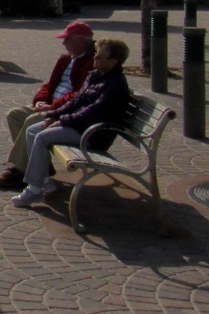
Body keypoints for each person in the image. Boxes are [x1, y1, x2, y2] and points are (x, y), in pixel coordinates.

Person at [12, 38, 132, 207]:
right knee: (32, 130)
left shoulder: (114, 85)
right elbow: (75, 102)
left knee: (41, 137)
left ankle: (34, 189)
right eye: (96, 54)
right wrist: (53, 115)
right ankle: (44, 180)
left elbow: (92, 114)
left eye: (99, 57)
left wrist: (62, 120)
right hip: (80, 126)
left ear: (113, 62)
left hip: (93, 134)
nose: (94, 58)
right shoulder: (96, 76)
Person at [0, 20, 96, 189]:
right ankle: (38, 164)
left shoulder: (91, 64)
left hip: (64, 111)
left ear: (81, 42)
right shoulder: (65, 60)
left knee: (32, 122)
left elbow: (79, 94)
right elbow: (49, 84)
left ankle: (21, 169)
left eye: (67, 39)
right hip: (52, 105)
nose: (63, 43)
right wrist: (41, 100)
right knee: (15, 115)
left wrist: (53, 107)